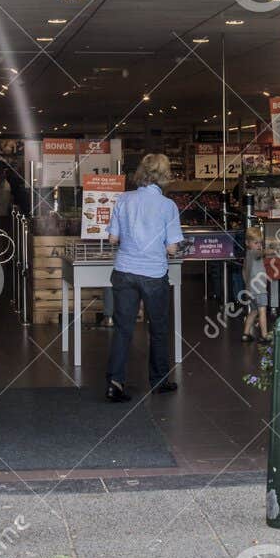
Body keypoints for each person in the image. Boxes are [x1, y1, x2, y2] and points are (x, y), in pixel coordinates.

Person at [105, 152, 184, 402]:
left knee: (123, 329)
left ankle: (115, 383)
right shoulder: (168, 206)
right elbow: (172, 248)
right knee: (158, 329)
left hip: (124, 270)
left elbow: (113, 239)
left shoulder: (123, 199)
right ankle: (160, 381)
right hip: (153, 273)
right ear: (164, 175)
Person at [241, 225, 270, 342]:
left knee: (253, 312)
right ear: (247, 243)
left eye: (260, 243)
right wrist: (275, 250)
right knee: (262, 311)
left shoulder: (247, 255)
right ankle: (264, 335)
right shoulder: (254, 253)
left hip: (250, 290)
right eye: (256, 243)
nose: (259, 245)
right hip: (260, 290)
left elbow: (244, 271)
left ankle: (245, 334)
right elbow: (262, 253)